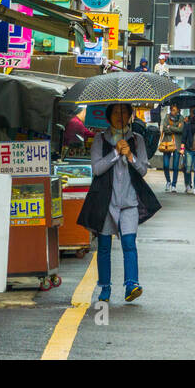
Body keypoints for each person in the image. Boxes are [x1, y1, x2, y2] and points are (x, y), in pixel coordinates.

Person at [77, 102, 160, 303]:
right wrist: (115, 153)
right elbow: (97, 168)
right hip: (107, 202)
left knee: (129, 243)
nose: (120, 115)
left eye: (124, 111)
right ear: (109, 116)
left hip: (130, 202)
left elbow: (142, 170)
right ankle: (105, 288)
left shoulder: (137, 139)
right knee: (104, 246)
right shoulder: (100, 139)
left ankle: (131, 284)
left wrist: (130, 155)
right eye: (116, 112)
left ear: (130, 115)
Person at [159, 104, 185, 193]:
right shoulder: (167, 117)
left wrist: (171, 127)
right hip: (167, 143)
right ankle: (168, 181)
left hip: (177, 144)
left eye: (173, 110)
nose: (172, 111)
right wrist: (175, 128)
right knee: (165, 165)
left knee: (175, 166)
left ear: (178, 110)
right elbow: (165, 129)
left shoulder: (181, 118)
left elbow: (181, 130)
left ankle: (174, 185)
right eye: (171, 109)